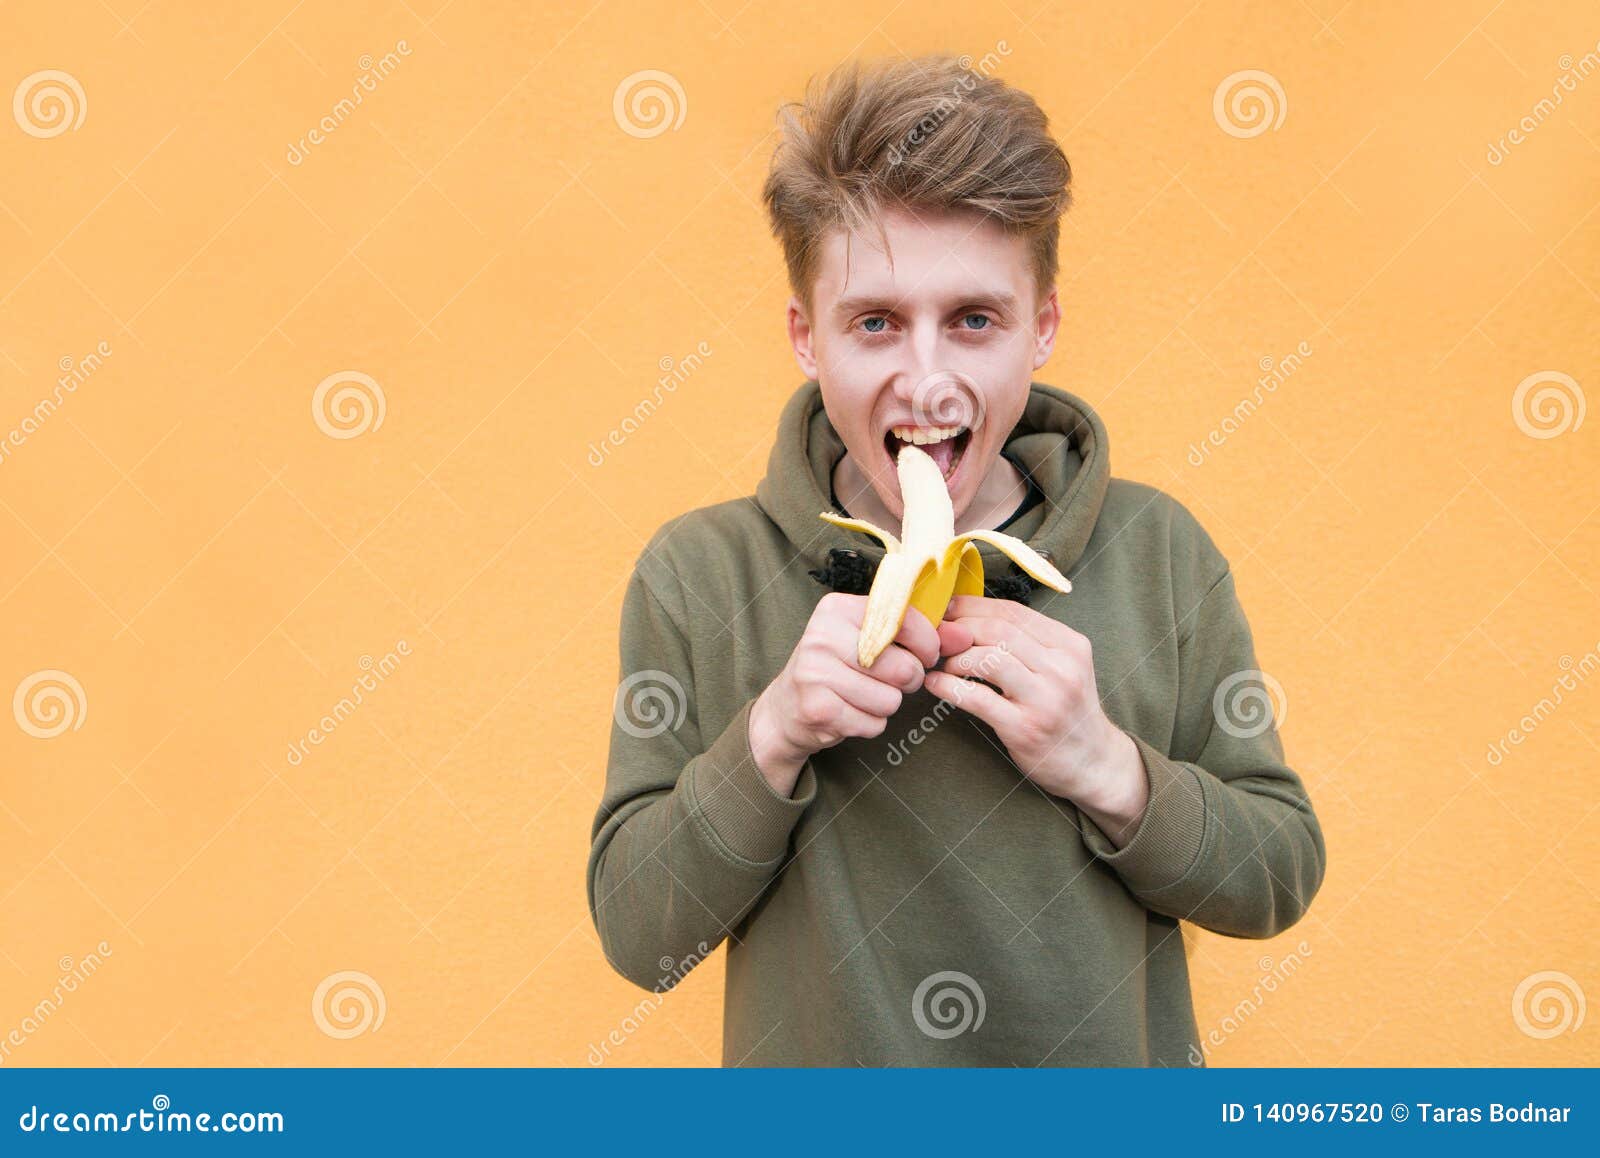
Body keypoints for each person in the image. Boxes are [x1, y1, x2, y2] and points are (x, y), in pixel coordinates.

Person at [586, 53, 1326, 1066]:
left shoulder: (1159, 552)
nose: (926, 382)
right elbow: (640, 937)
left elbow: (1276, 876)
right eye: (876, 324)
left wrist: (1105, 766)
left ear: (1043, 328)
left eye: (973, 321)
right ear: (807, 339)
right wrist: (771, 737)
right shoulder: (698, 572)